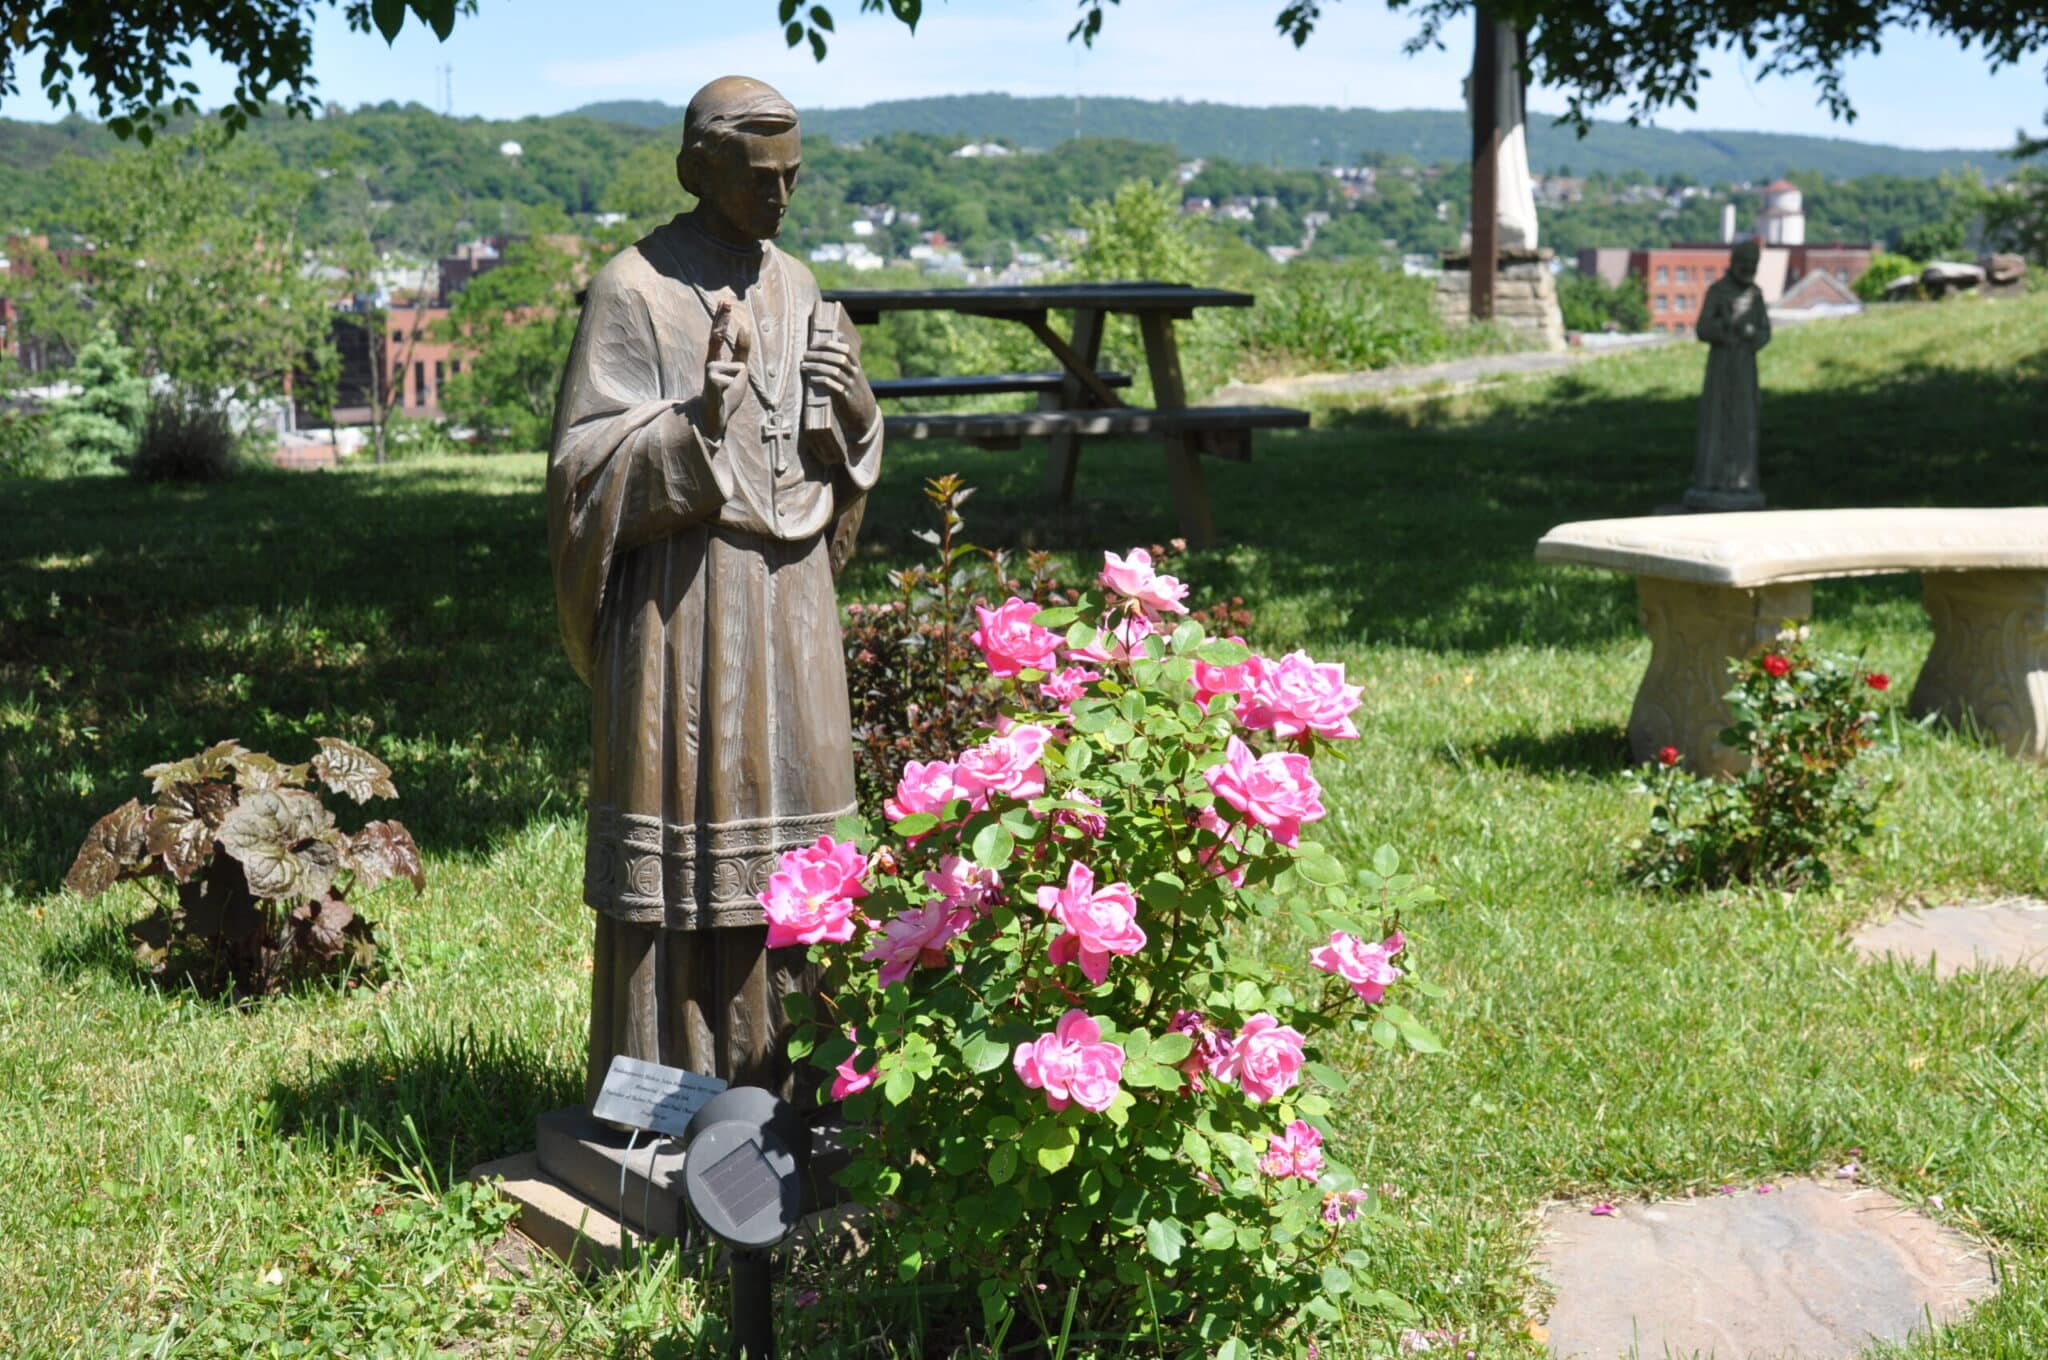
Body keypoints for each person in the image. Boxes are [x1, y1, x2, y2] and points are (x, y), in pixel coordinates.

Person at [546, 75, 882, 1106]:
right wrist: (696, 417)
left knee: (804, 830)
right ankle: (665, 1092)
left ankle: (800, 1086)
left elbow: (831, 450)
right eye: (758, 178)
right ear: (698, 170)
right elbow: (579, 469)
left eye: (793, 178)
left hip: (792, 602)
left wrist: (854, 413)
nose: (780, 198)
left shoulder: (798, 282)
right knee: (688, 833)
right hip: (685, 606)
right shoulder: (633, 290)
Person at [1687, 238, 1771, 512]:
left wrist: (1751, 335)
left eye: (1753, 265)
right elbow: (1703, 328)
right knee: (1717, 420)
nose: (1748, 269)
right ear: (1733, 264)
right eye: (1744, 264)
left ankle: (1742, 480)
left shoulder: (1755, 295)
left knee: (1744, 421)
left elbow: (1764, 331)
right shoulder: (1718, 291)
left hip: (1744, 367)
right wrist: (1724, 329)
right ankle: (1712, 479)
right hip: (1722, 368)